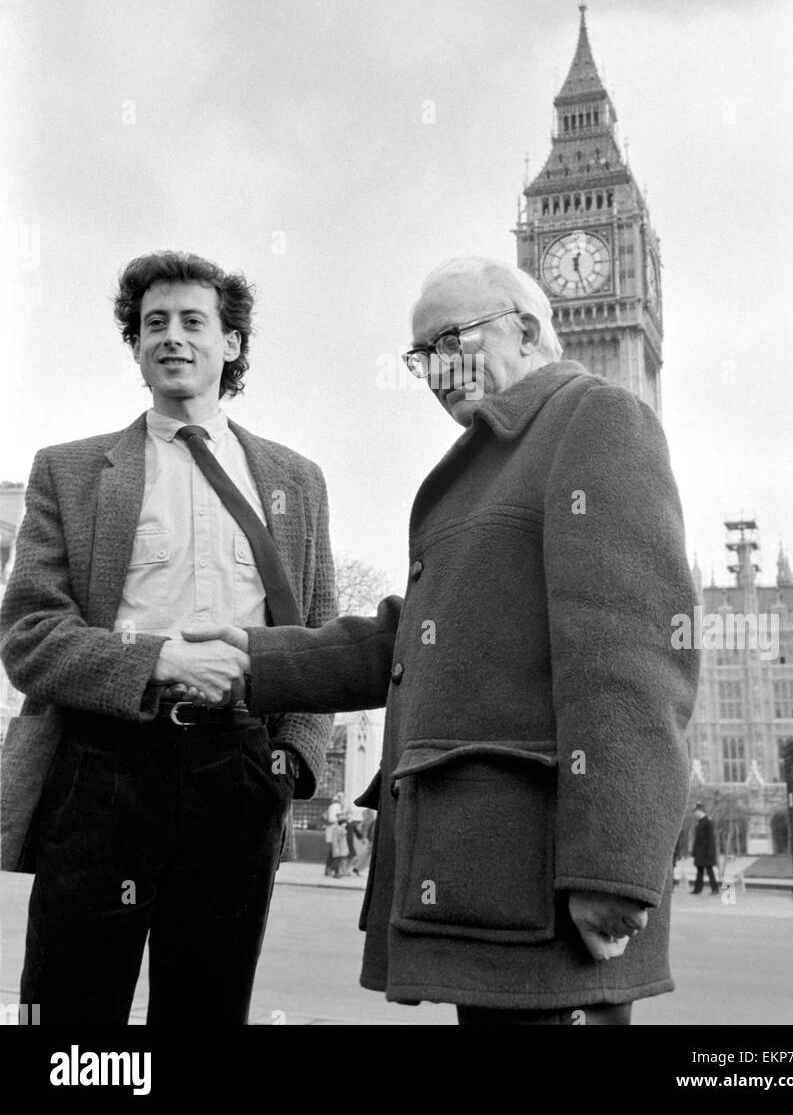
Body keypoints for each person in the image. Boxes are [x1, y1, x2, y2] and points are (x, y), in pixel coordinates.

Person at [179, 256, 699, 1026]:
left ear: (525, 330)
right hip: (482, 870)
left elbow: (629, 659)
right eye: (421, 354)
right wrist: (254, 658)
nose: (433, 369)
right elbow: (411, 637)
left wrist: (613, 868)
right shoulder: (495, 457)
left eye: (451, 339)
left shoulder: (594, 421)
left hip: (544, 874)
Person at [0, 251, 336, 1024]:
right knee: (73, 1017)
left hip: (239, 770)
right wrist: (155, 661)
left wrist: (287, 762)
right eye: (154, 324)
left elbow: (316, 638)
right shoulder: (72, 471)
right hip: (103, 765)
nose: (172, 338)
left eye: (193, 322)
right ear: (137, 346)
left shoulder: (295, 480)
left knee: (207, 1006)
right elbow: (29, 636)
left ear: (232, 345)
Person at [690, 804, 720, 896]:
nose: (694, 814)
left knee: (710, 871)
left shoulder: (708, 822)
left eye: (695, 812)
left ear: (700, 811)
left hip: (706, 852)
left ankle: (715, 889)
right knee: (699, 871)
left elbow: (711, 838)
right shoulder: (700, 822)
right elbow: (697, 839)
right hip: (700, 853)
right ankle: (697, 889)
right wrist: (694, 852)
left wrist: (710, 852)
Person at [324, 792, 346, 876]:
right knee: (336, 851)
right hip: (335, 832)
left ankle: (329, 869)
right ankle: (335, 871)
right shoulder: (335, 807)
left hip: (335, 832)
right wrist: (341, 818)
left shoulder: (337, 807)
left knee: (333, 851)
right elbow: (332, 819)